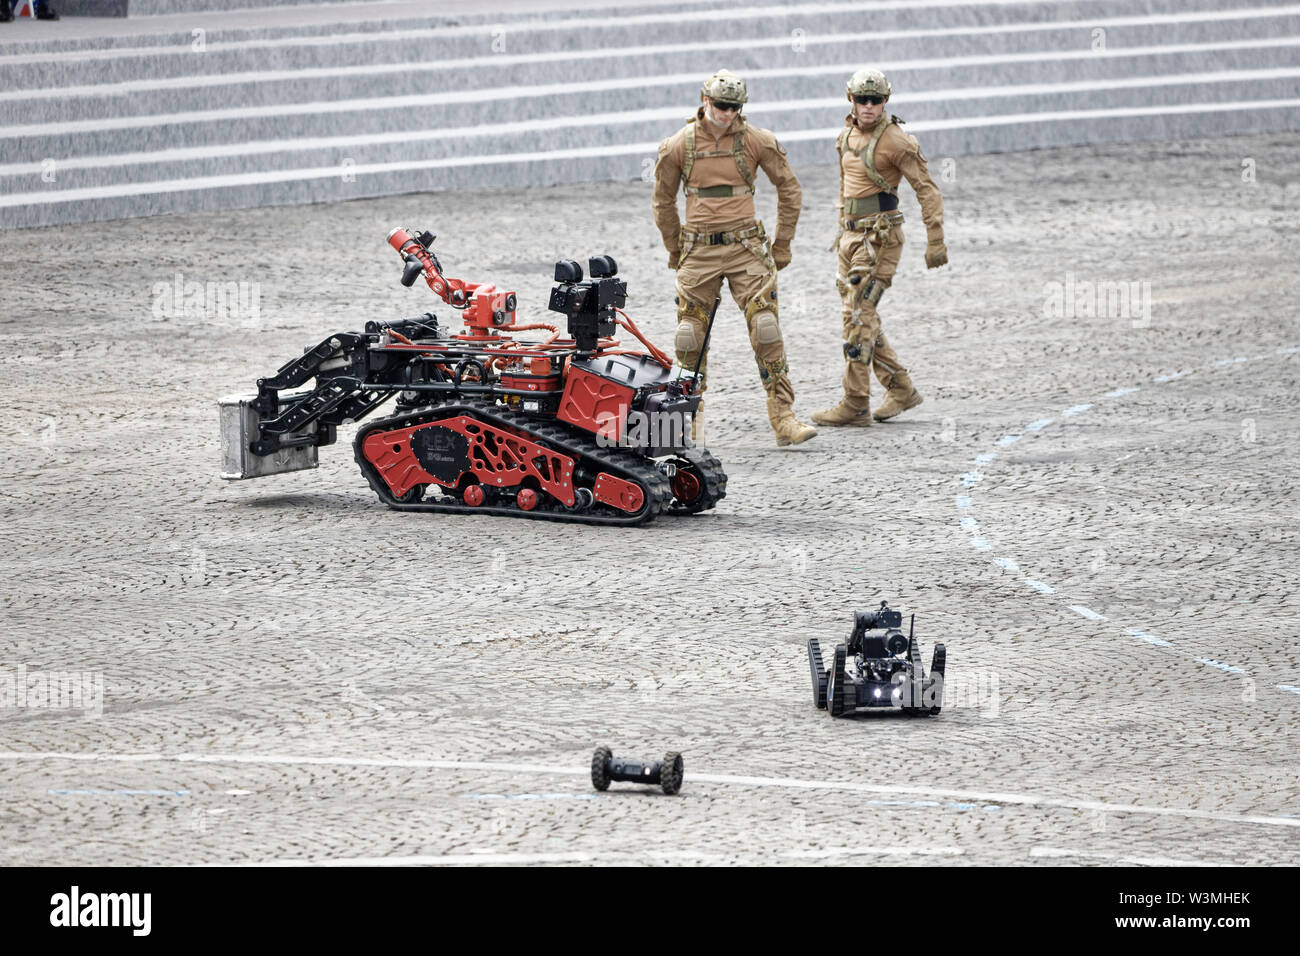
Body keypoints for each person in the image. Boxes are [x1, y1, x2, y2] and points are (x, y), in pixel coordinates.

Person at [652, 69, 816, 448]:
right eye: (721, 105)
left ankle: (783, 416)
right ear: (705, 101)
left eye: (734, 107)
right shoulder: (680, 145)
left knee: (765, 326)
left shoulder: (757, 141)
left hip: (746, 248)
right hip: (699, 249)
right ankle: (686, 422)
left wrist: (782, 243)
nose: (727, 113)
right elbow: (662, 200)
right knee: (689, 336)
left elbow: (789, 188)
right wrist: (674, 248)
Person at [813, 68, 946, 427]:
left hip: (880, 240)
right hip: (851, 239)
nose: (869, 106)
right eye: (862, 99)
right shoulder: (845, 136)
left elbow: (927, 189)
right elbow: (845, 186)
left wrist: (935, 239)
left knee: (858, 318)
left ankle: (856, 402)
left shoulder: (897, 141)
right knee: (860, 316)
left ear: (886, 101)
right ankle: (900, 388)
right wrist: (842, 228)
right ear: (851, 100)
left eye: (876, 100)